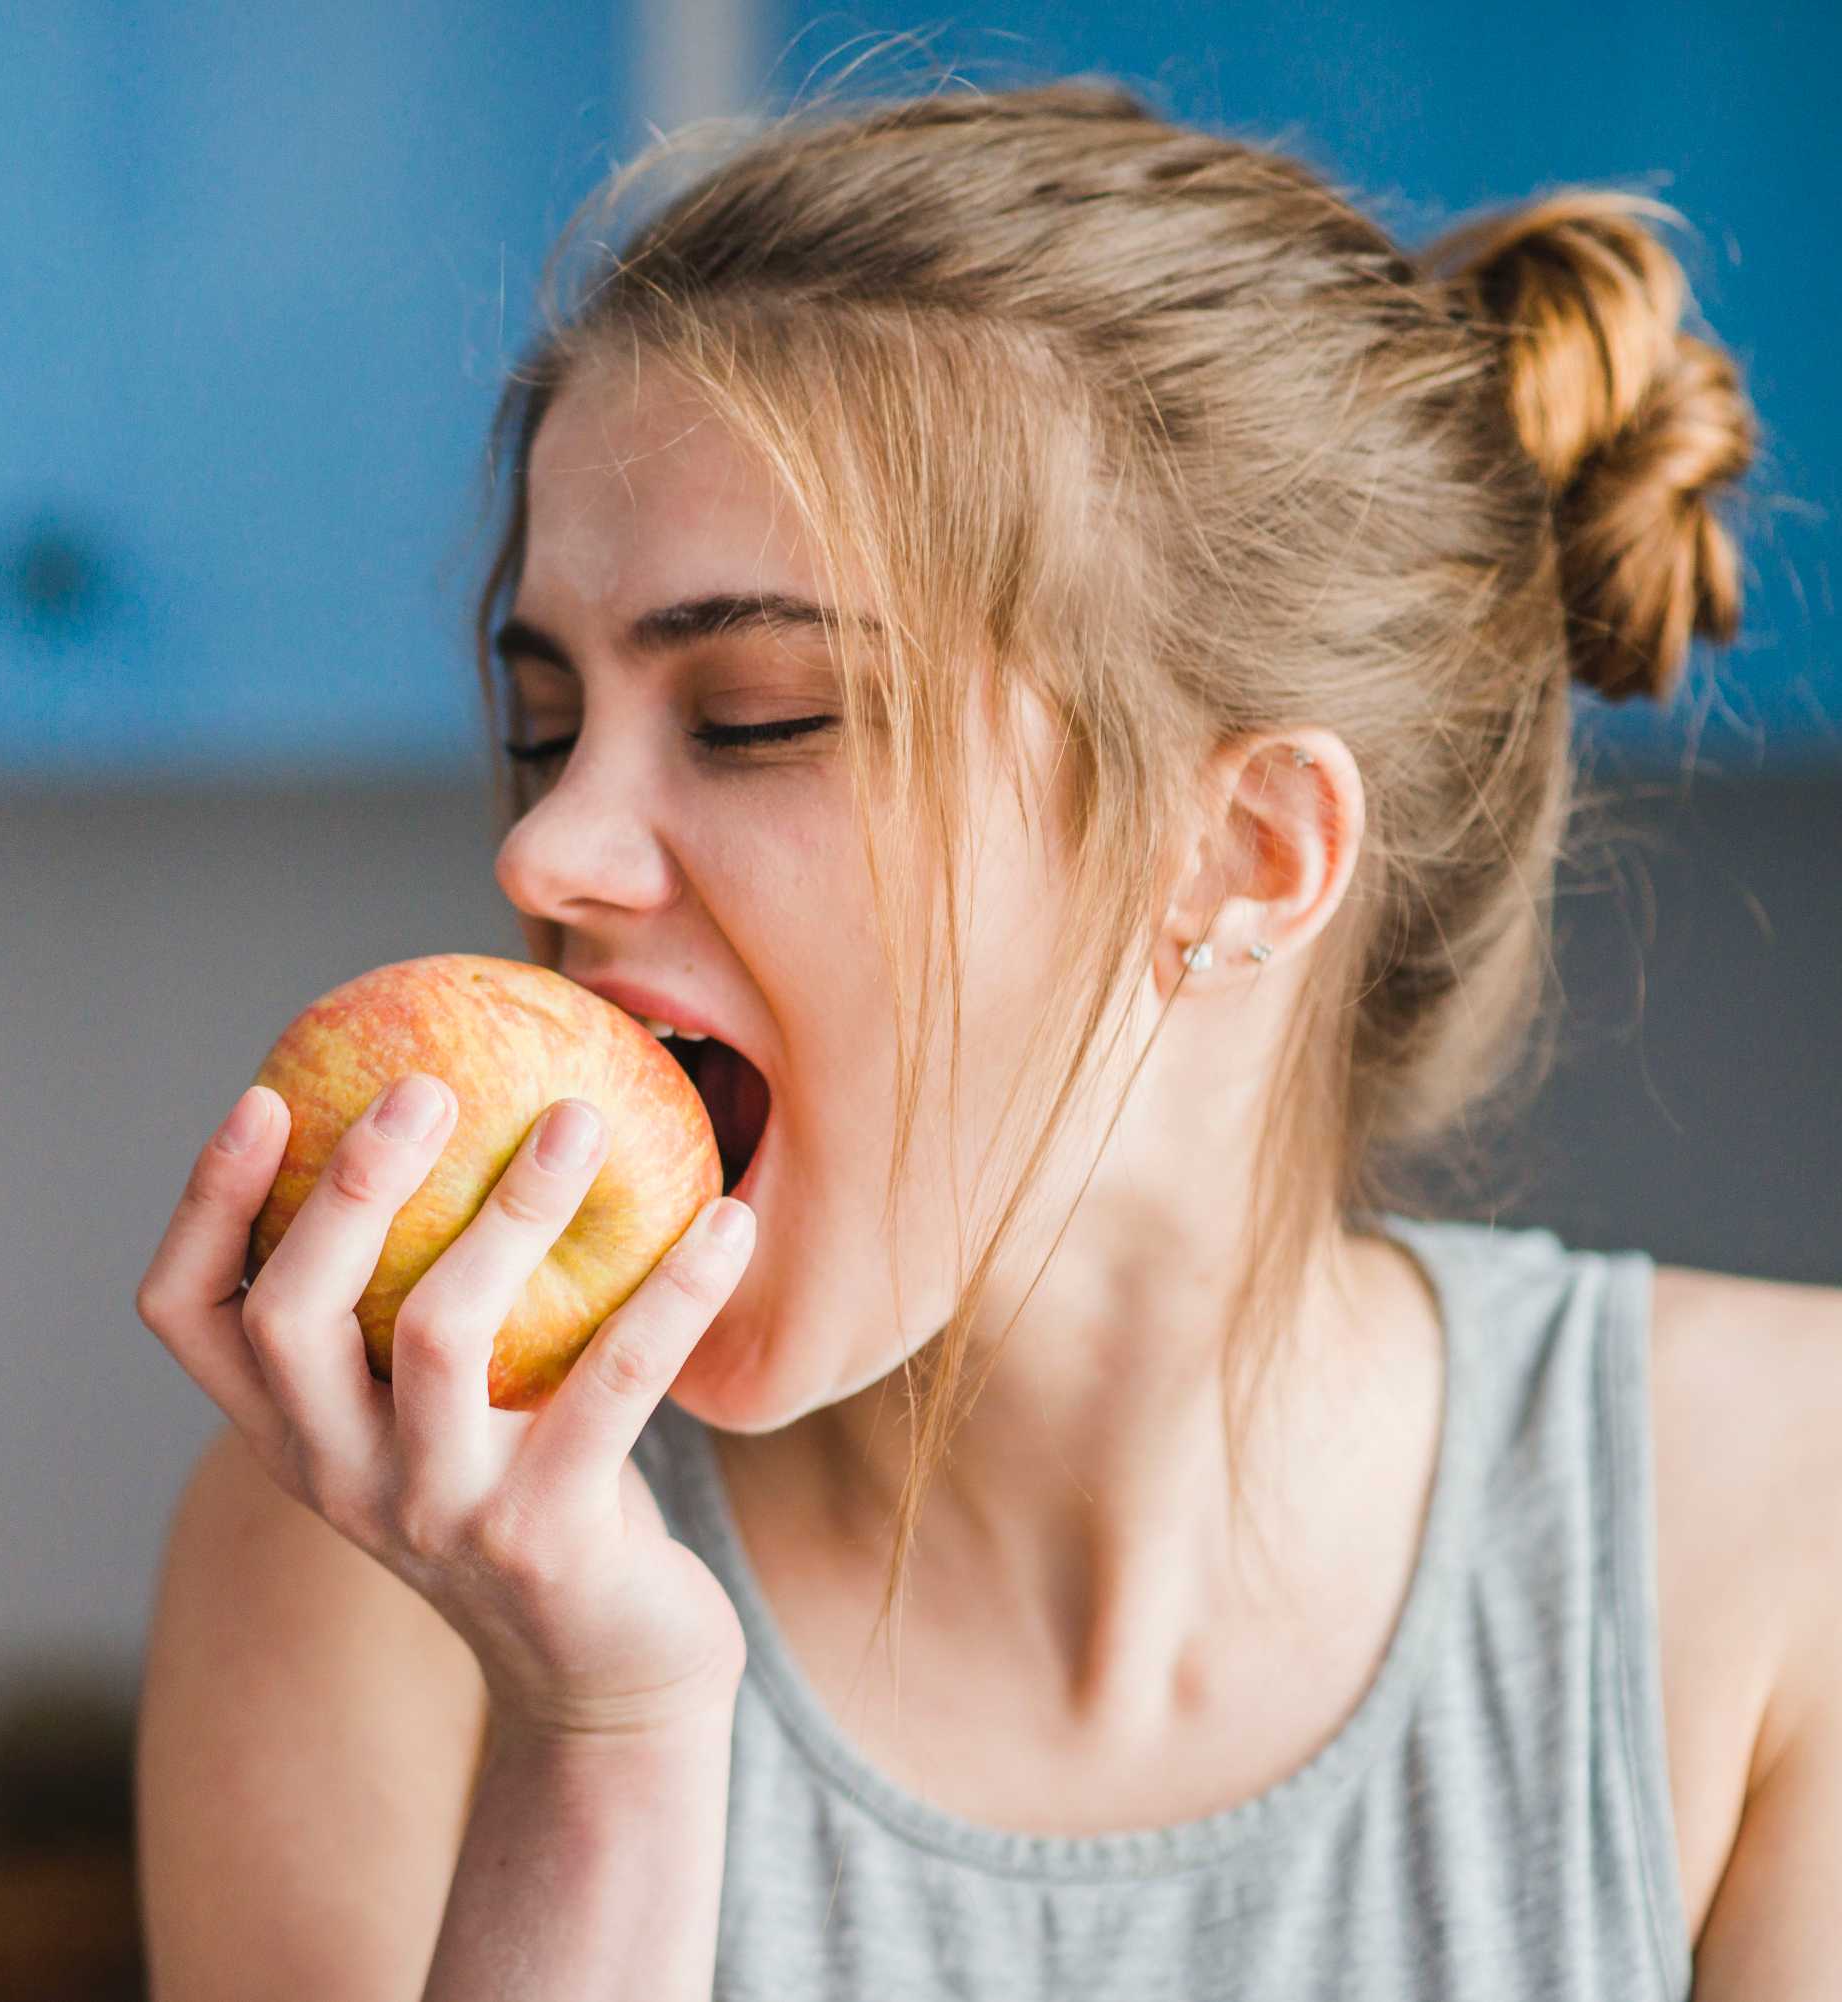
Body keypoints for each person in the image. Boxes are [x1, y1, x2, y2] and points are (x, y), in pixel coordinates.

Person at [131, 75, 1834, 2000]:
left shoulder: (1789, 1528)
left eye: (761, 713)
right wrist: (598, 1740)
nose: (544, 841)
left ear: (1247, 850)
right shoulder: (386, 1570)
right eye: (545, 723)